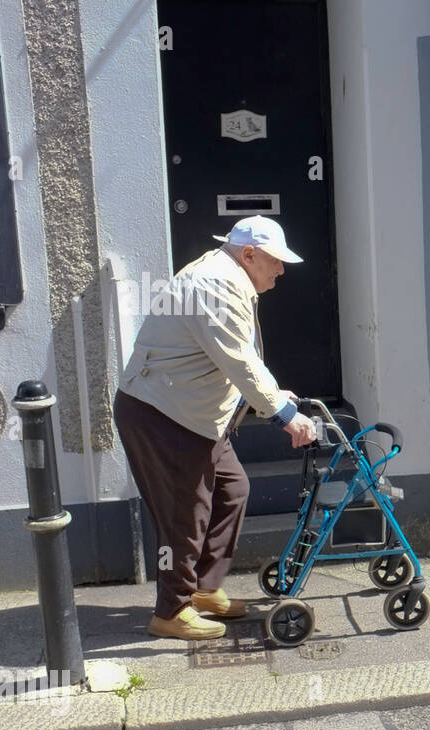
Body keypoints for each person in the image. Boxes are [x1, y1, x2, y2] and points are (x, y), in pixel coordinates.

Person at [113, 216, 318, 640]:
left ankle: (203, 589)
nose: (280, 270)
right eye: (275, 261)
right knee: (183, 515)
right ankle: (171, 611)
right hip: (165, 416)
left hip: (194, 415)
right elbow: (238, 360)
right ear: (248, 254)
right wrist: (283, 415)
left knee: (231, 490)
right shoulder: (216, 284)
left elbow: (226, 355)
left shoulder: (225, 275)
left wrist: (273, 394)